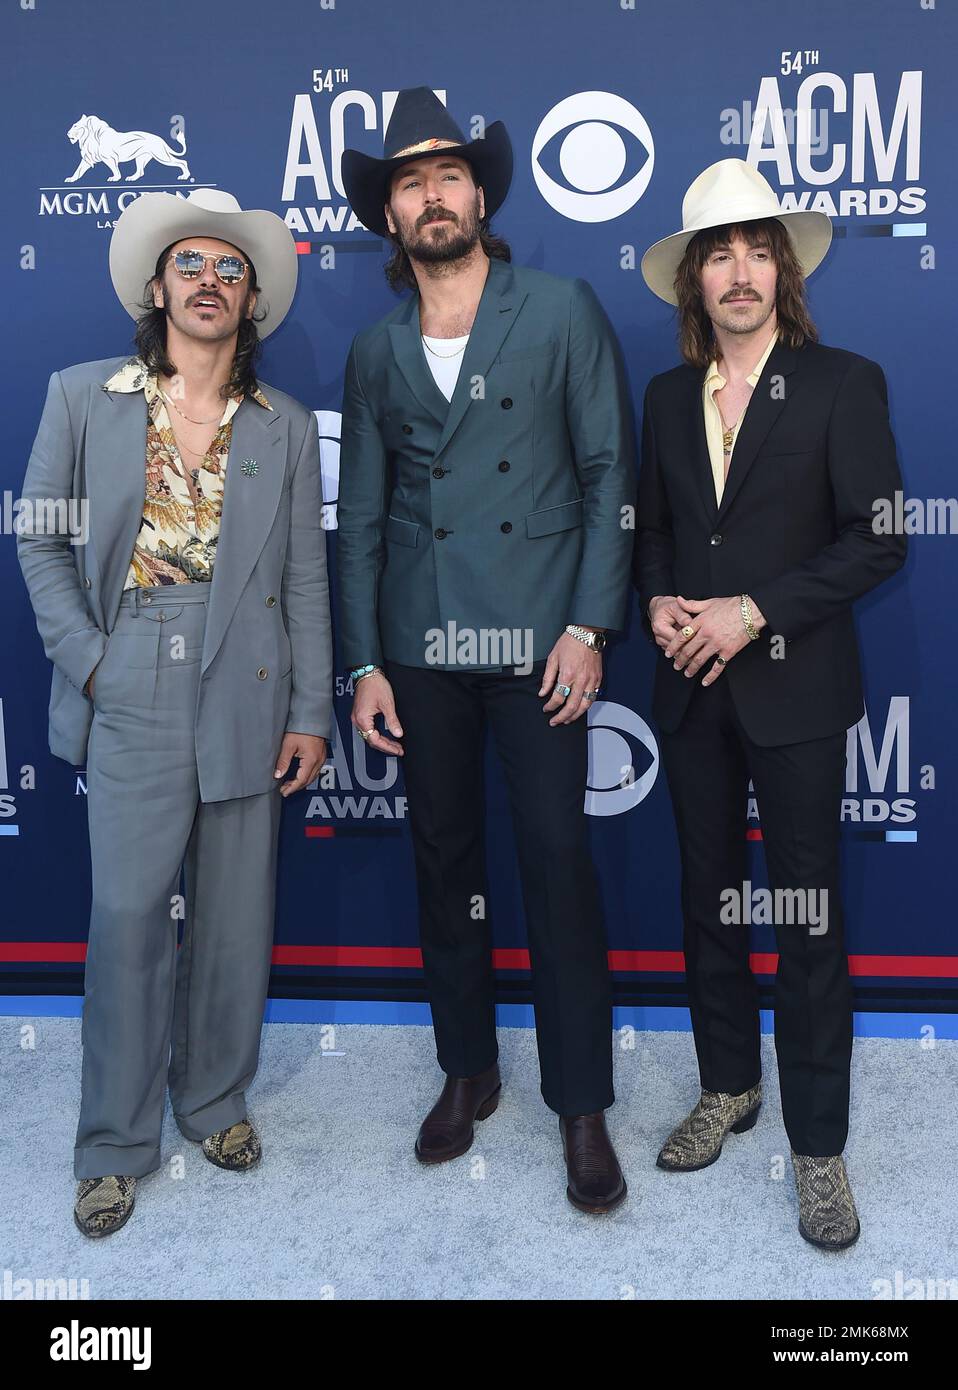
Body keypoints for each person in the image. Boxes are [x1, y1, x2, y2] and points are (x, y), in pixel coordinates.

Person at [337, 87, 636, 1212]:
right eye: (408, 182)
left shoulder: (559, 309)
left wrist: (588, 624)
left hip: (539, 642)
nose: (430, 195)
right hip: (421, 647)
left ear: (479, 194)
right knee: (445, 865)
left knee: (557, 867)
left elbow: (610, 476)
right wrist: (364, 660)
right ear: (391, 215)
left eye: (446, 175)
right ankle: (468, 1067)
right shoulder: (374, 351)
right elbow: (359, 516)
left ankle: (581, 1105)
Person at [17, 188, 333, 1236]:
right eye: (190, 265)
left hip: (248, 675)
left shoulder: (281, 428)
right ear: (158, 289)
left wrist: (309, 710)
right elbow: (41, 540)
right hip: (130, 666)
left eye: (230, 270)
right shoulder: (81, 396)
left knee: (237, 919)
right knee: (125, 920)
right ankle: (112, 1141)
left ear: (250, 304)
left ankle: (212, 1101)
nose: (209, 282)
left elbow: (305, 580)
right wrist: (94, 662)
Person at [634, 159, 906, 1248]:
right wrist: (655, 598)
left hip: (794, 688)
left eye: (756, 251)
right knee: (706, 900)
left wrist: (754, 609)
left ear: (780, 271)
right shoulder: (662, 397)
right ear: (693, 280)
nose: (738, 272)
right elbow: (649, 526)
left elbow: (880, 534)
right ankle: (726, 1085)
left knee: (804, 919)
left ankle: (819, 1148)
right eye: (718, 254)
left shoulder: (844, 380)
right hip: (690, 691)